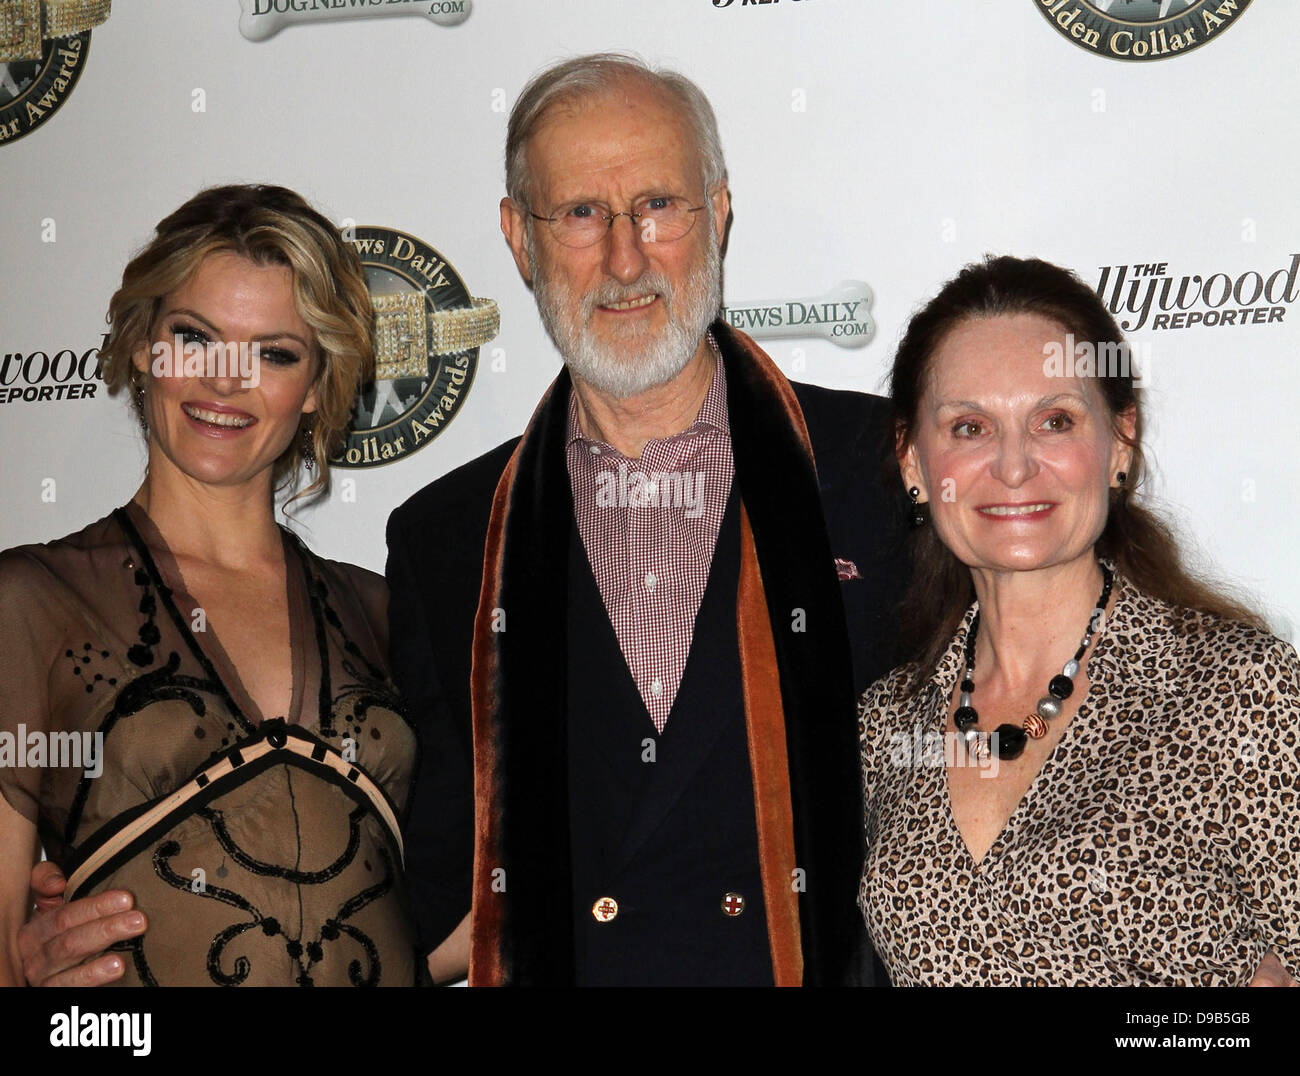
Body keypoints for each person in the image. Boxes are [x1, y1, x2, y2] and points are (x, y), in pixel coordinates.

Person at [386, 53, 909, 987]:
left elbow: (1038, 736)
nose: (625, 259)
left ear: (719, 211)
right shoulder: (447, 539)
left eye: (659, 206)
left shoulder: (885, 468)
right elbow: (431, 889)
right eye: (582, 213)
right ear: (518, 238)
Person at [2, 185, 422, 986]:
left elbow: (434, 919)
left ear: (316, 386)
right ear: (140, 345)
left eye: (274, 352)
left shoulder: (383, 613)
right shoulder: (31, 601)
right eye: (195, 338)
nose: (227, 382)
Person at [857, 255, 1300, 986]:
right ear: (912, 461)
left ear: (1119, 443)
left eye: (1053, 420)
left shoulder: (1239, 692)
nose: (1013, 465)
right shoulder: (885, 726)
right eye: (969, 427)